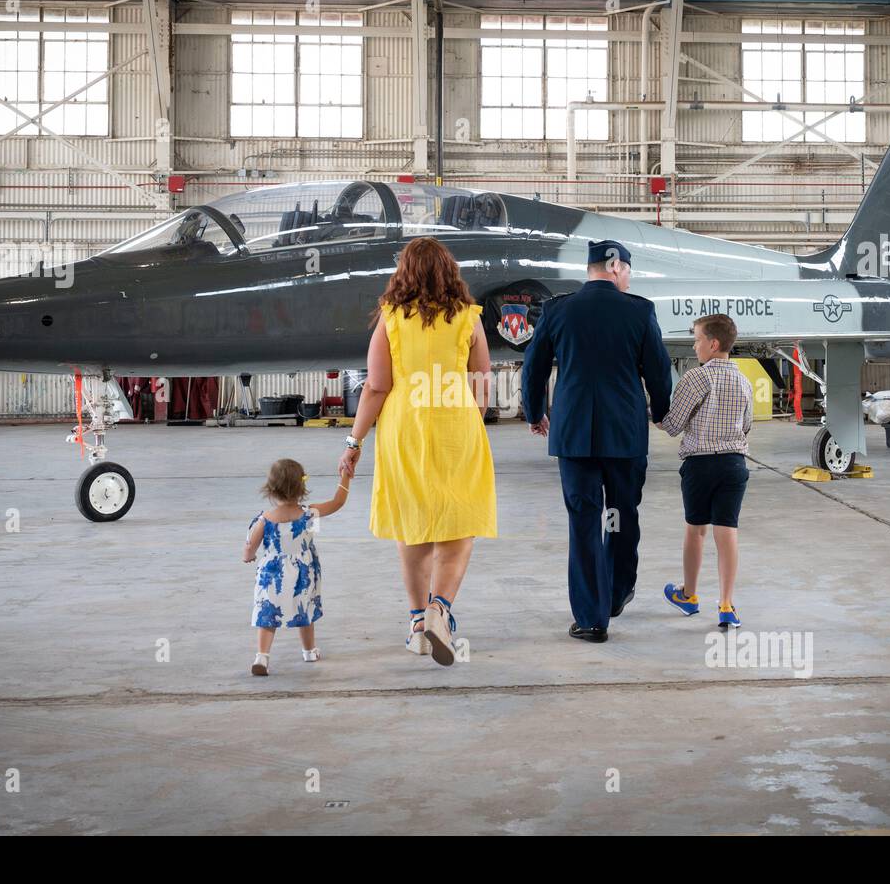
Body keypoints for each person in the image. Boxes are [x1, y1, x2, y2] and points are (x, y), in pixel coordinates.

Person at [339, 237, 497, 667]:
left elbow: (375, 386)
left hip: (404, 429)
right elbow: (482, 378)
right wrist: (472, 417)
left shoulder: (391, 319)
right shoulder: (469, 317)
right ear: (450, 271)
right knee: (459, 518)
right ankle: (439, 610)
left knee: (413, 523)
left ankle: (416, 625)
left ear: (403, 273)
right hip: (456, 425)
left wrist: (354, 442)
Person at [520, 239, 673, 643]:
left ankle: (590, 618)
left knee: (585, 520)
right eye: (629, 271)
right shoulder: (640, 311)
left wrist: (535, 413)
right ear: (618, 268)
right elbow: (658, 370)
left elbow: (532, 369)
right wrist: (661, 412)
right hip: (624, 435)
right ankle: (617, 592)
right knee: (621, 515)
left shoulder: (558, 309)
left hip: (573, 437)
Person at [657, 314, 753, 630]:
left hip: (700, 465)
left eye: (697, 339)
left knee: (696, 529)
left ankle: (690, 595)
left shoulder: (696, 378)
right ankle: (726, 605)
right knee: (727, 531)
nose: (694, 345)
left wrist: (647, 411)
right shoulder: (744, 381)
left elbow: (672, 425)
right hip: (734, 465)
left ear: (713, 344)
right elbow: (748, 425)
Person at [243, 458, 351, 676]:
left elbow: (249, 549)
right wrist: (345, 476)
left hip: (272, 576)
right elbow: (338, 502)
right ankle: (309, 651)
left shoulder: (264, 520)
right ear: (302, 486)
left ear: (271, 489)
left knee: (267, 615)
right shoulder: (309, 513)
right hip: (303, 574)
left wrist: (250, 557)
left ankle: (262, 657)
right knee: (305, 610)